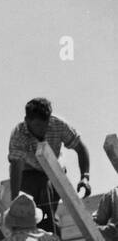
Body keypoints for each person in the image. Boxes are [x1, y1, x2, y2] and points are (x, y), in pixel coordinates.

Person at [7, 96, 90, 233]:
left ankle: (51, 238)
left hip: (55, 171)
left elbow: (80, 149)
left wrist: (85, 177)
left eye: (45, 125)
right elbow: (16, 166)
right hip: (29, 173)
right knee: (34, 203)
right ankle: (38, 235)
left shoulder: (58, 124)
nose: (42, 129)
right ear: (27, 120)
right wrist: (14, 200)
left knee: (47, 206)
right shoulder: (19, 134)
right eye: (37, 125)